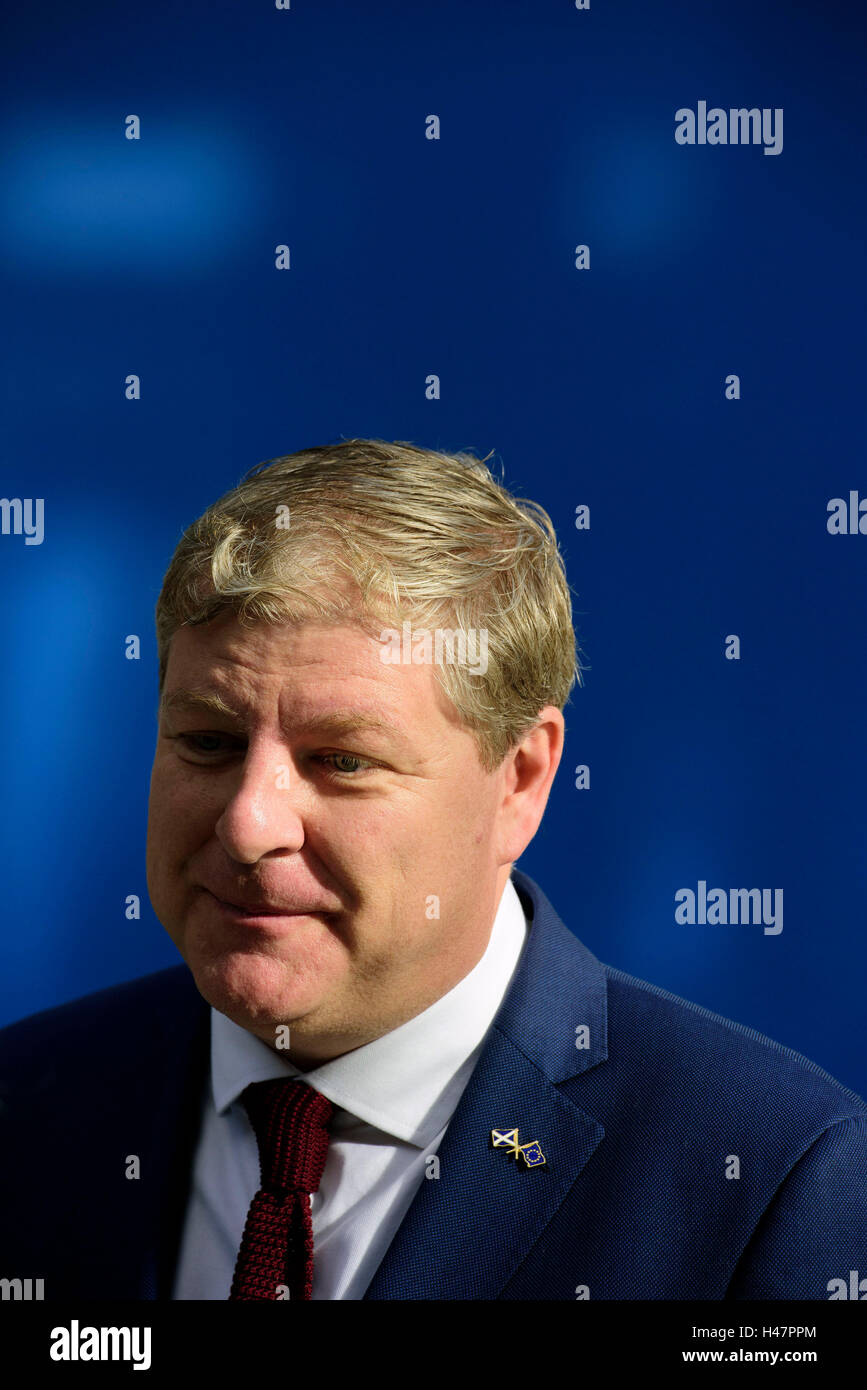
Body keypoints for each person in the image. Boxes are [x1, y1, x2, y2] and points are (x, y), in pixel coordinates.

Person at [1, 438, 864, 1301]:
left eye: (340, 760)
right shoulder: (29, 1107)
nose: (247, 823)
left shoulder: (769, 1179)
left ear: (520, 781)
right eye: (208, 743)